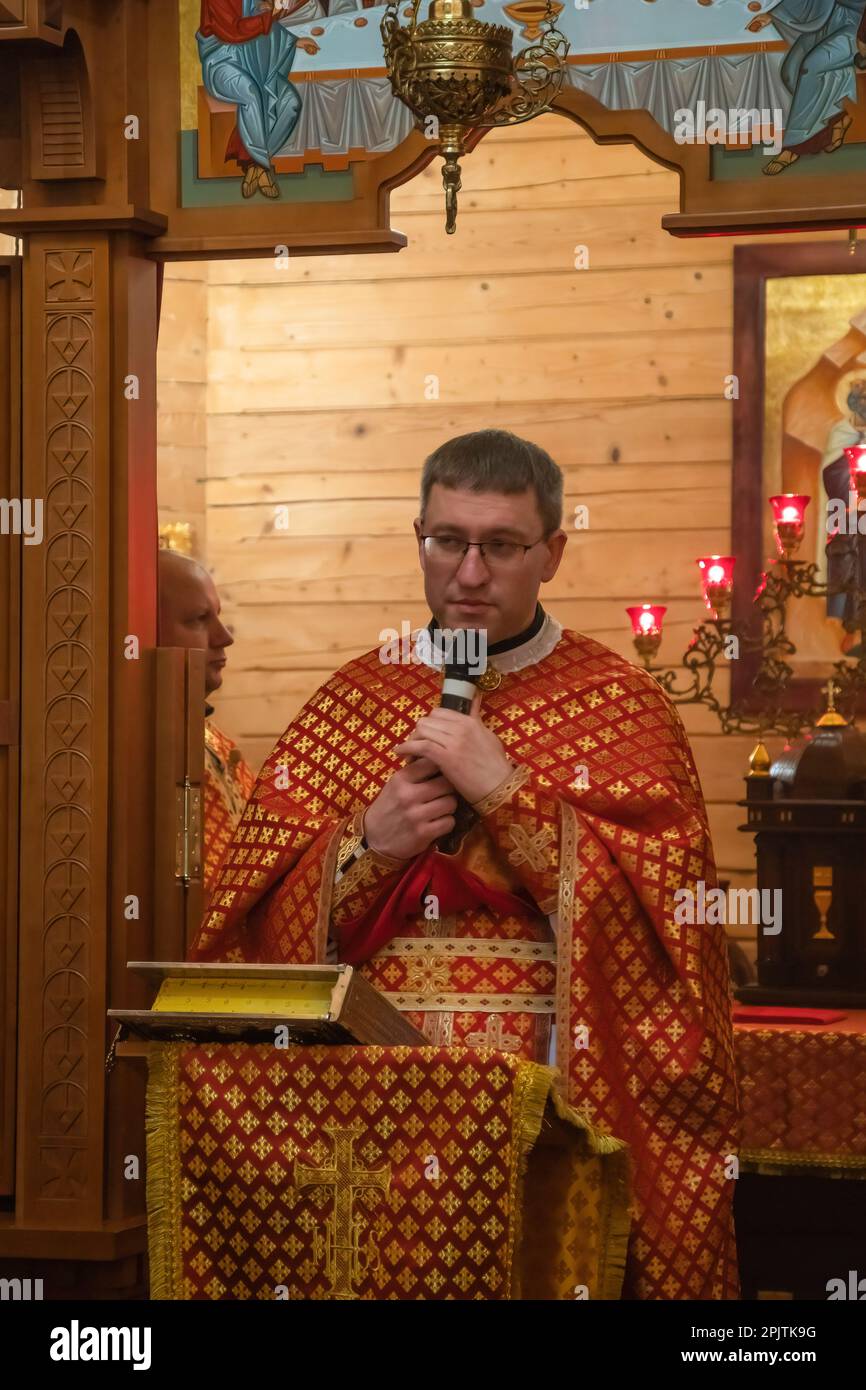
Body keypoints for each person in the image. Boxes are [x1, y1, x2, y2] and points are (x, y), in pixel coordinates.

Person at [189, 429, 741, 1301]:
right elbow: (241, 928)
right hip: (366, 1105)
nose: (470, 573)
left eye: (502, 546)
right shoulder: (352, 700)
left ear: (552, 553)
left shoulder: (621, 706)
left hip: (546, 1094)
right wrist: (365, 846)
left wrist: (511, 794)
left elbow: (671, 935)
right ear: (419, 536)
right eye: (447, 541)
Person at [157, 549, 255, 898]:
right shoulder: (135, 753)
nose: (224, 637)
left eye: (218, 616)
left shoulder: (220, 746)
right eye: (199, 619)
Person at [197, 0, 316, 199]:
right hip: (221, 61)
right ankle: (261, 165)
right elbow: (234, 30)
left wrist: (293, 41)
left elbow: (262, 21)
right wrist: (270, 15)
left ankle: (255, 168)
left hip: (254, 61)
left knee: (290, 103)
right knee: (251, 94)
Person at [749, 0, 865, 174]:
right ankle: (836, 120)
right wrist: (775, 14)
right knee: (790, 72)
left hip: (858, 29)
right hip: (829, 15)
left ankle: (795, 147)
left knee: (811, 68)